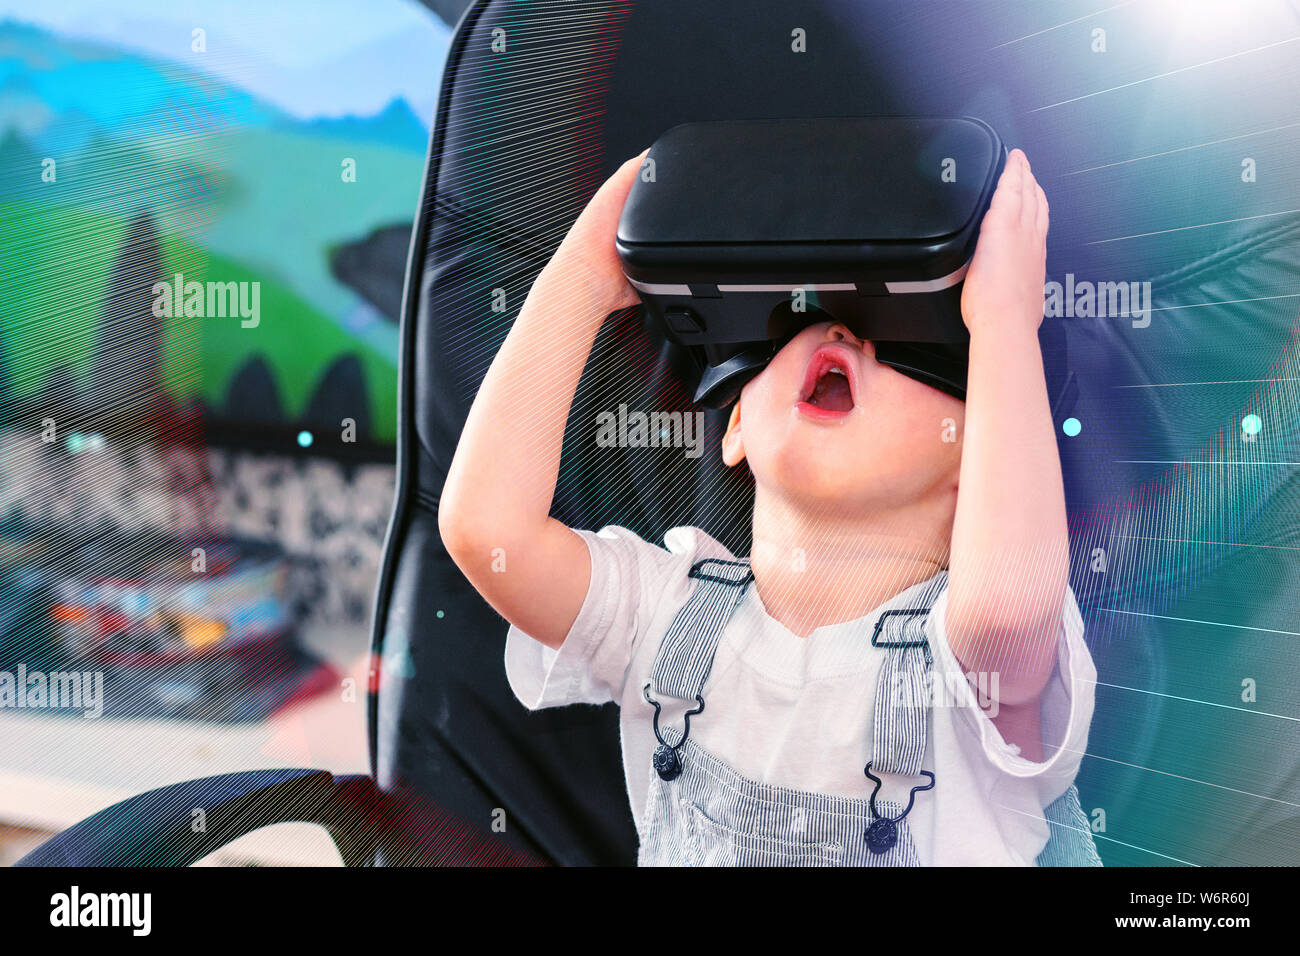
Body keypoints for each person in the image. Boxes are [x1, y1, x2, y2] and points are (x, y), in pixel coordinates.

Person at [439, 146, 1098, 865]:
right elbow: (486, 530)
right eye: (793, 324)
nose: (843, 329)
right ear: (737, 428)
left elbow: (1008, 606)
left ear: (977, 466)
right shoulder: (664, 615)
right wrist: (583, 276)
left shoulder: (963, 672)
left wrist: (1004, 320)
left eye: (914, 342)